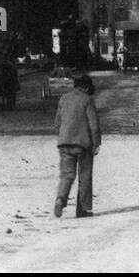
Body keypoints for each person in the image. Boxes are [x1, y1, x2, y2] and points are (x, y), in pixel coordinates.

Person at [54, 73, 102, 218]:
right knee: (85, 175)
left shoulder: (64, 98)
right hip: (83, 144)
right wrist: (96, 143)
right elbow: (94, 125)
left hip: (64, 143)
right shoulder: (87, 100)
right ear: (87, 88)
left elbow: (57, 123)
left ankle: (60, 200)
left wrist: (63, 136)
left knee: (66, 175)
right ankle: (83, 209)